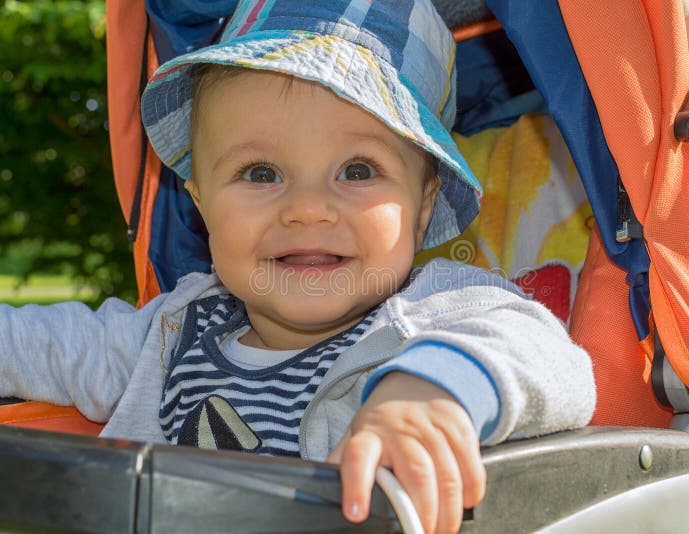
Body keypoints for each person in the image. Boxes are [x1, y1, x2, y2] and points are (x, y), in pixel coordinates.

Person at [0, 0, 595, 532]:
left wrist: (432, 392)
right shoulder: (170, 331)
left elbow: (553, 360)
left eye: (357, 171)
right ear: (203, 201)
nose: (308, 209)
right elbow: (41, 345)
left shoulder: (440, 314)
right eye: (261, 174)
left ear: (423, 205)